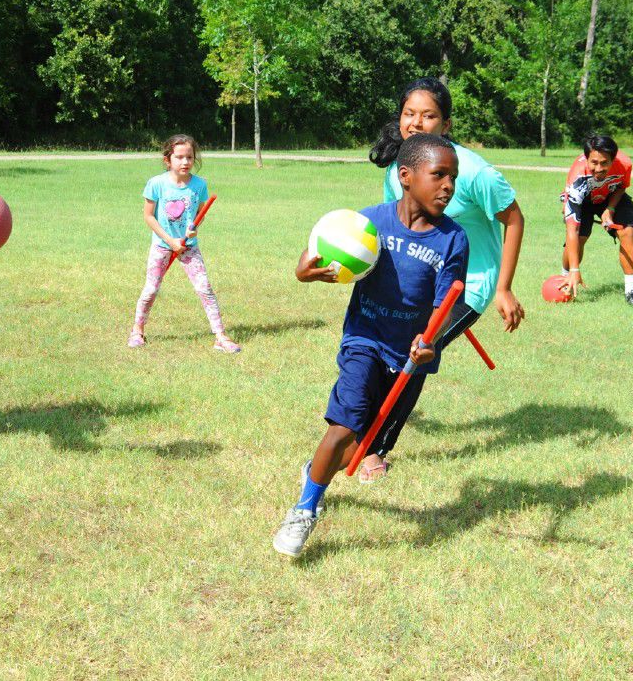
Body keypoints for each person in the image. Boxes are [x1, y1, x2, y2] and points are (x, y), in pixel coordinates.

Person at [272, 133, 469, 558]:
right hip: (365, 340)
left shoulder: (453, 240)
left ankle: (317, 472)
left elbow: (447, 303)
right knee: (343, 425)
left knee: (358, 451)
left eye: (453, 177)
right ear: (406, 176)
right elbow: (319, 261)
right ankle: (305, 508)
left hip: (409, 360)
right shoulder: (367, 224)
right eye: (438, 175)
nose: (448, 185)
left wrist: (431, 341)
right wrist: (304, 273)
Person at [364, 76, 525, 481]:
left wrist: (503, 288)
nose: (416, 122)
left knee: (413, 356)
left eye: (429, 115)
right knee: (381, 348)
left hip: (466, 285)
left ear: (446, 124)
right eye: (409, 113)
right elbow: (398, 230)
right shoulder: (400, 168)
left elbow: (514, 218)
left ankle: (376, 448)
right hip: (418, 276)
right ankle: (362, 417)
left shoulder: (474, 173)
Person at [128, 134, 241, 353]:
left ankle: (220, 336)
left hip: (189, 247)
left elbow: (200, 213)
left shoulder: (199, 185)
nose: (185, 162)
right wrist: (170, 241)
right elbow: (149, 216)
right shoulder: (157, 184)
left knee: (204, 288)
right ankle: (137, 331)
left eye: (189, 157)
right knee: (151, 289)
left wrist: (194, 228)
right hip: (162, 245)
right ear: (168, 160)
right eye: (179, 157)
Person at [559, 134, 633, 309]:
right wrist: (576, 270)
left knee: (627, 231)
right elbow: (572, 231)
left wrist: (610, 209)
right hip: (583, 199)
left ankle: (632, 293)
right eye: (594, 163)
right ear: (587, 159)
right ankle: (564, 280)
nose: (599, 168)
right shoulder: (578, 177)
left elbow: (621, 186)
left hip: (610, 195)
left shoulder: (625, 164)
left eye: (604, 163)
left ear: (613, 160)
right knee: (579, 237)